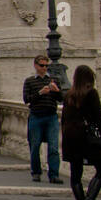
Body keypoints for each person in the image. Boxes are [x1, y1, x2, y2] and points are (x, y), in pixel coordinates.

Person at [61, 65, 101, 200]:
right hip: (87, 137)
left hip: (70, 137)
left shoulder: (68, 94)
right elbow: (99, 118)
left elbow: (64, 119)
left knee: (76, 174)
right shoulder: (91, 93)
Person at [23, 54, 63, 183]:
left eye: (46, 66)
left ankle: (54, 174)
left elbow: (61, 99)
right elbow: (27, 99)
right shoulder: (29, 81)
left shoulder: (54, 80)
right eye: (42, 65)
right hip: (36, 116)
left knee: (53, 147)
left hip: (51, 116)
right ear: (35, 65)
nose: (44, 68)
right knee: (35, 146)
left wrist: (56, 91)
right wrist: (40, 93)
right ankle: (36, 172)